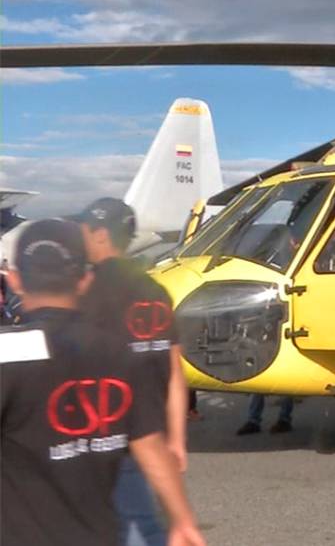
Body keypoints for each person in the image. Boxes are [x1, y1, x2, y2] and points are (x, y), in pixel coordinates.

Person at [0, 219, 204, 545]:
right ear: (84, 280)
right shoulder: (117, 351)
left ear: (15, 279)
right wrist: (182, 519)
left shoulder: (6, 351)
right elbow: (148, 443)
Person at [71, 197, 189, 546]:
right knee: (142, 520)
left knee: (124, 526)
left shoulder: (85, 291)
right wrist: (177, 439)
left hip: (106, 435)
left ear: (101, 234)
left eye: (84, 230)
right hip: (156, 433)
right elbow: (174, 373)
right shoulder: (157, 290)